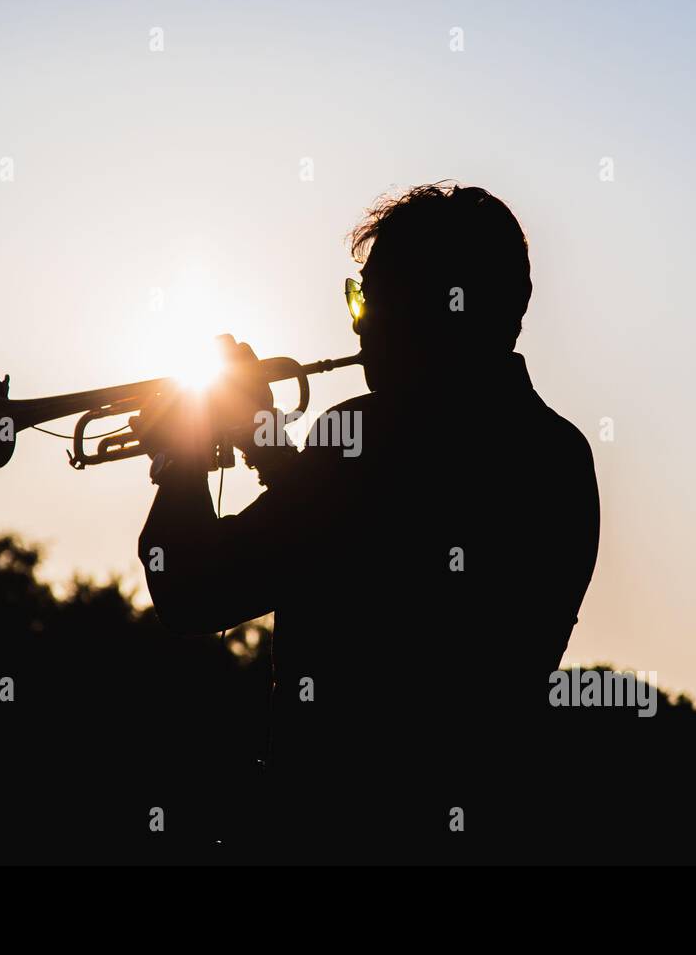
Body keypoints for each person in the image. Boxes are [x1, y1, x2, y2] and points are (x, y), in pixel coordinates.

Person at [137, 183, 599, 862]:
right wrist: (264, 441)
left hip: (330, 823)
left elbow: (191, 590)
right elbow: (362, 540)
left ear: (426, 307)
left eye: (369, 299)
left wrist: (183, 453)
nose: (358, 325)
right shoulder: (559, 454)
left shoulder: (367, 432)